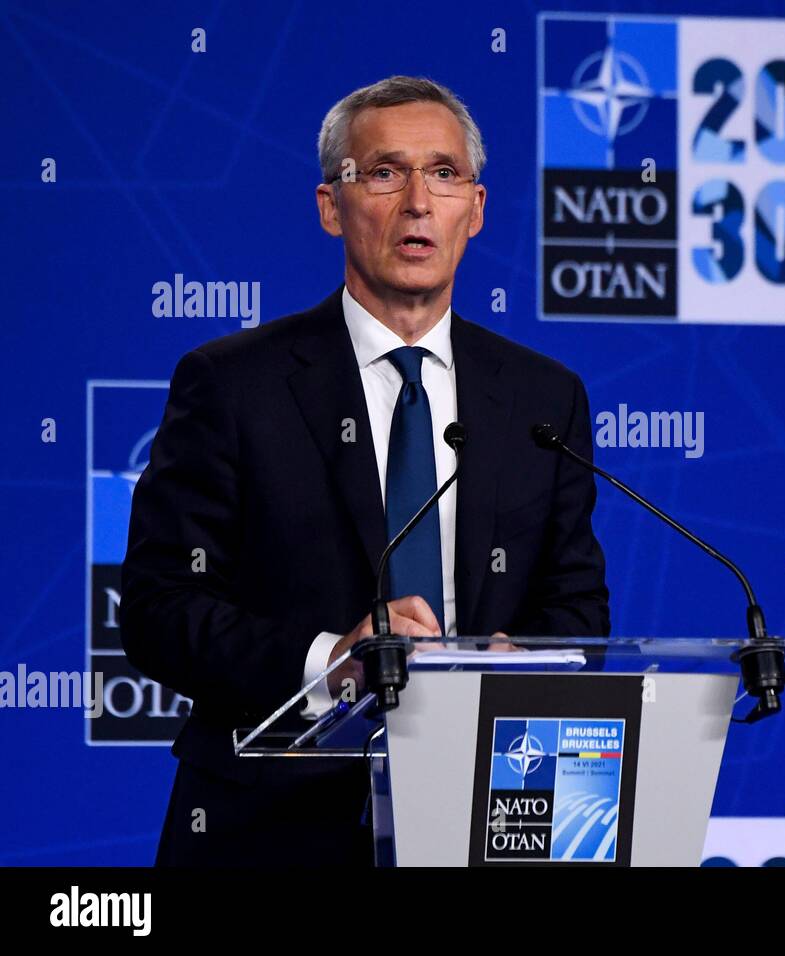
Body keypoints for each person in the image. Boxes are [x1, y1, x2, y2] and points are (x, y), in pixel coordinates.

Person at [121, 75, 610, 866]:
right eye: (384, 172)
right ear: (331, 205)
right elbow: (156, 609)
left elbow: (578, 608)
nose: (419, 200)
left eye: (444, 174)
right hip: (270, 833)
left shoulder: (541, 398)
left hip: (486, 821)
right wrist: (329, 661)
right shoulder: (233, 384)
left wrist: (528, 669)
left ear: (476, 210)